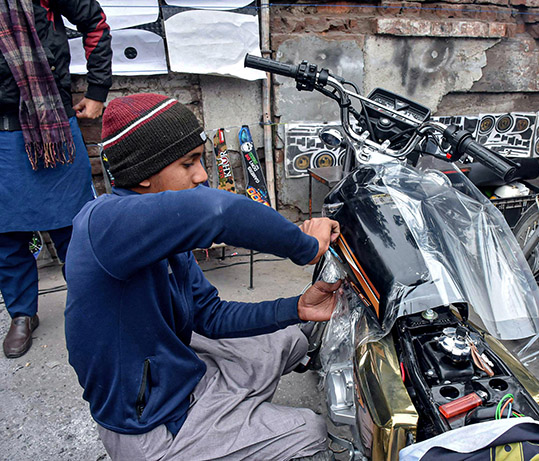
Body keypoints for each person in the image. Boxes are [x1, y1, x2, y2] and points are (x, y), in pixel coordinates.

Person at [64, 92, 342, 461]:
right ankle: (228, 427)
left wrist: (297, 307)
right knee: (312, 431)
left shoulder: (161, 234)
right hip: (155, 427)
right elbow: (218, 211)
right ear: (144, 174)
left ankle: (238, 416)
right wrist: (306, 246)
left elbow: (210, 316)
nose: (202, 174)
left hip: (182, 375)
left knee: (291, 337)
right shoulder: (104, 223)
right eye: (188, 162)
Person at [0, 0, 112, 358]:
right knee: (6, 232)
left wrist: (96, 91)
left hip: (52, 124)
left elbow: (95, 22)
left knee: (74, 227)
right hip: (1, 131)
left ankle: (93, 305)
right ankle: (21, 313)